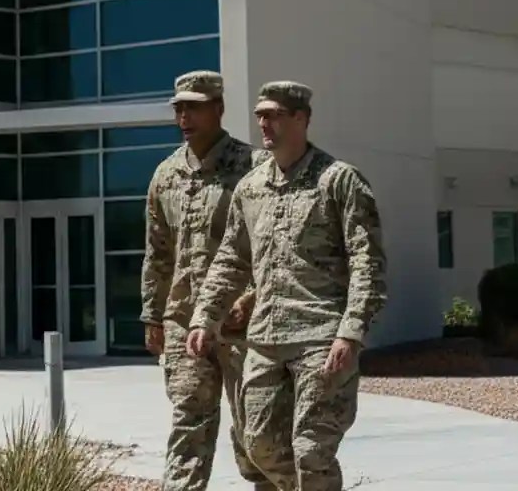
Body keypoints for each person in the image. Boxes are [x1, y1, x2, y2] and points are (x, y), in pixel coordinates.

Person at [185, 81, 388, 491]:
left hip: (321, 337)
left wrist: (351, 331)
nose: (265, 122)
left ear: (301, 119)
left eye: (275, 114)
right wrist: (205, 316)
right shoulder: (251, 188)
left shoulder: (338, 181)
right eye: (261, 114)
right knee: (257, 445)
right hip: (266, 340)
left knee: (312, 449)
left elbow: (368, 261)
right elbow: (231, 259)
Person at [140, 70, 271, 491]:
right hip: (184, 321)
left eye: (194, 106)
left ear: (218, 108)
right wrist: (153, 315)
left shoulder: (256, 170)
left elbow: (275, 250)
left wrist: (249, 300)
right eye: (179, 107)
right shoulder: (165, 175)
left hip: (241, 325)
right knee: (188, 422)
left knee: (256, 430)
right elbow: (158, 252)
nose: (184, 116)